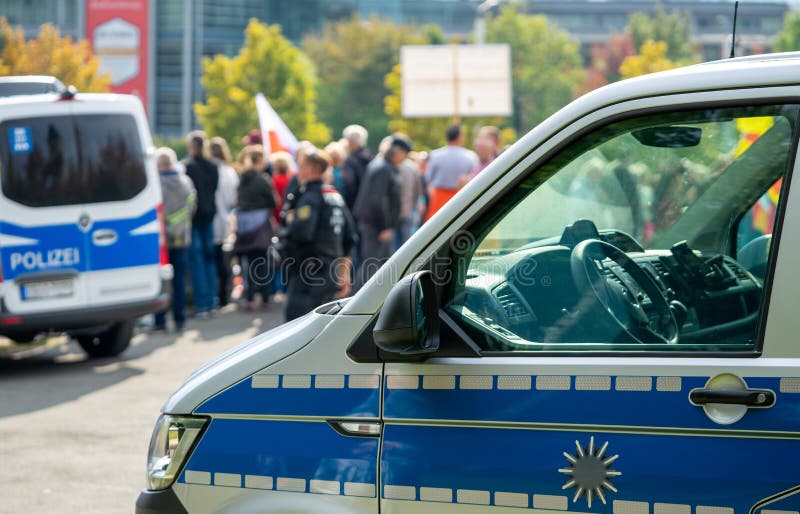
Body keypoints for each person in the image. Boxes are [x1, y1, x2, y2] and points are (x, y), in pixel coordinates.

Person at [279, 149, 356, 321]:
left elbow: (301, 234)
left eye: (301, 166)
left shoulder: (310, 197)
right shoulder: (335, 196)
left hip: (308, 274)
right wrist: (344, 274)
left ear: (310, 168)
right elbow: (349, 238)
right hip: (330, 272)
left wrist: (292, 221)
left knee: (296, 326)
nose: (298, 170)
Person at [352, 134, 411, 290]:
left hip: (375, 225)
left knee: (382, 266)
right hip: (376, 226)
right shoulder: (383, 168)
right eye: (405, 154)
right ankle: (354, 303)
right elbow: (378, 200)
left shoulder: (382, 165)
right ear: (397, 152)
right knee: (370, 266)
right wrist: (385, 226)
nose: (405, 158)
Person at [153, 147, 196, 332]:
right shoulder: (186, 182)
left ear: (158, 164)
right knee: (179, 280)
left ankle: (160, 321)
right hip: (181, 237)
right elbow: (192, 206)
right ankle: (180, 320)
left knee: (161, 281)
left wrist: (166, 225)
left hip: (161, 241)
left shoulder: (154, 185)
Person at [234, 145, 278, 311]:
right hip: (260, 225)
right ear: (260, 160)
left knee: (249, 263)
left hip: (244, 225)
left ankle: (250, 298)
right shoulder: (262, 179)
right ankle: (265, 298)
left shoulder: (242, 178)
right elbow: (273, 202)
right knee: (264, 263)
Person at [183, 131, 219, 318]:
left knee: (197, 261)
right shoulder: (212, 166)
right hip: (209, 215)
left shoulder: (188, 166)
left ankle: (202, 304)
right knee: (209, 259)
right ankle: (212, 300)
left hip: (195, 218)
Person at [425, 123, 478, 221]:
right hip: (460, 197)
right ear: (459, 137)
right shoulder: (470, 156)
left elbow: (429, 178)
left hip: (438, 197)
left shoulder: (435, 155)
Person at [209, 137, 239, 308]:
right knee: (224, 260)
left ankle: (215, 295)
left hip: (213, 220)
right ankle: (224, 295)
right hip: (225, 220)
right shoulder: (229, 172)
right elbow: (233, 199)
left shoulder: (210, 170)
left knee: (212, 260)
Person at [340, 125, 373, 212]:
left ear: (350, 142)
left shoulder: (350, 160)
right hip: (368, 205)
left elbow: (348, 184)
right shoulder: (370, 157)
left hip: (352, 205)